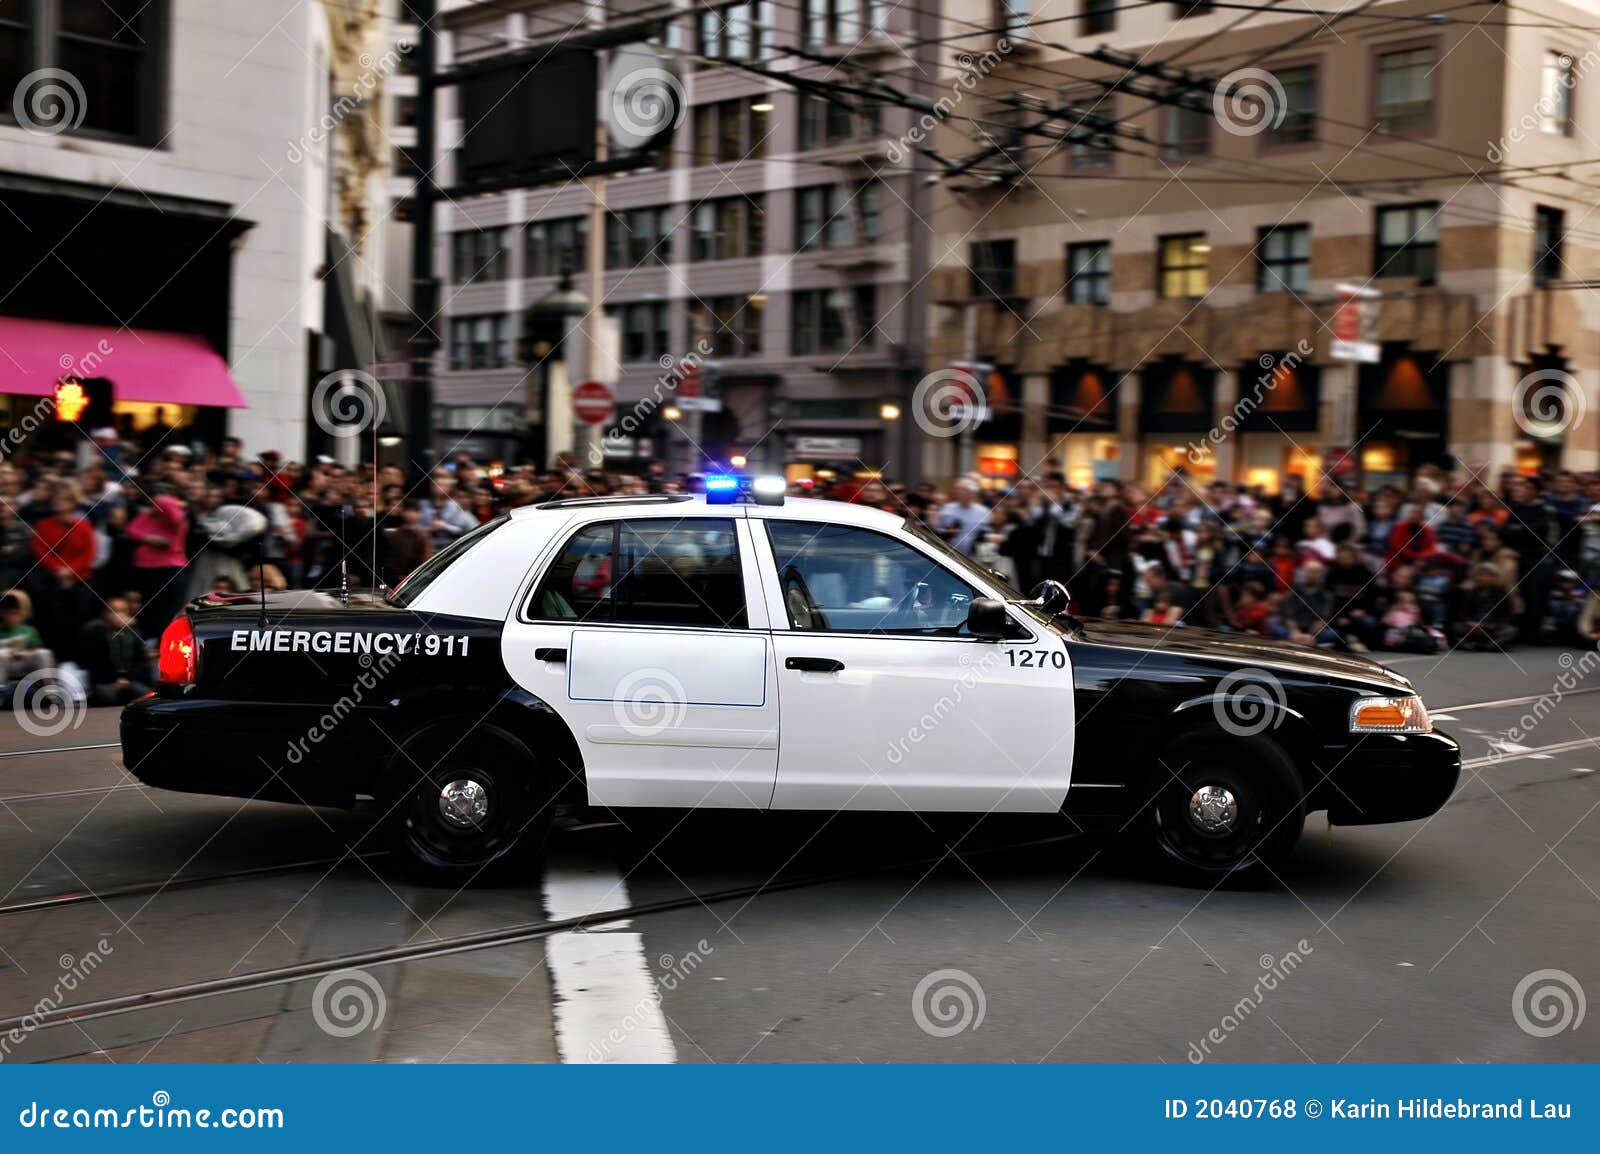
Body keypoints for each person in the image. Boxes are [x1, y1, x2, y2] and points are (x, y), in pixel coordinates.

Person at [79, 596, 152, 705]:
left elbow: (141, 662)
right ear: (106, 614)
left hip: (130, 681)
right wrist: (114, 681)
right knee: (107, 697)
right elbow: (94, 663)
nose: (120, 615)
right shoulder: (95, 631)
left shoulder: (134, 633)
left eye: (124, 611)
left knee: (147, 696)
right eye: (115, 611)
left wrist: (127, 679)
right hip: (105, 681)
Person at [1, 589, 55, 697]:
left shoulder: (28, 630)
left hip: (24, 664)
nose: (11, 617)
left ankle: (49, 691)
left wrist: (28, 653)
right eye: (8, 613)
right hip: (5, 666)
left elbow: (38, 649)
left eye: (14, 613)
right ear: (2, 613)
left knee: (44, 654)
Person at [934, 479, 990, 556]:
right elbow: (936, 530)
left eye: (964, 490)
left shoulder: (983, 511)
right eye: (958, 490)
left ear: (972, 493)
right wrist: (947, 532)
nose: (960, 493)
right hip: (949, 553)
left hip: (974, 556)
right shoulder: (947, 508)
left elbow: (987, 532)